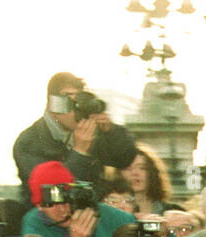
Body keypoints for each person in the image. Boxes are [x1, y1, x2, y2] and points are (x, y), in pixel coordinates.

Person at [13, 72, 138, 203]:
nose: (78, 110)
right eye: (70, 102)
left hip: (91, 208)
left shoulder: (89, 132)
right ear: (54, 104)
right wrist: (79, 153)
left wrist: (111, 131)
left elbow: (125, 159)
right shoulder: (28, 142)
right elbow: (53, 192)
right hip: (46, 215)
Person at [20, 161, 137, 237]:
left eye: (66, 201)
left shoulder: (101, 213)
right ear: (39, 206)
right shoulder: (35, 223)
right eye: (51, 204)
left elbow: (135, 228)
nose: (61, 209)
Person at [121, 145, 173, 216]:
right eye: (128, 168)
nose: (135, 173)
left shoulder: (172, 211)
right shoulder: (110, 214)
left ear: (152, 172)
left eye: (142, 168)